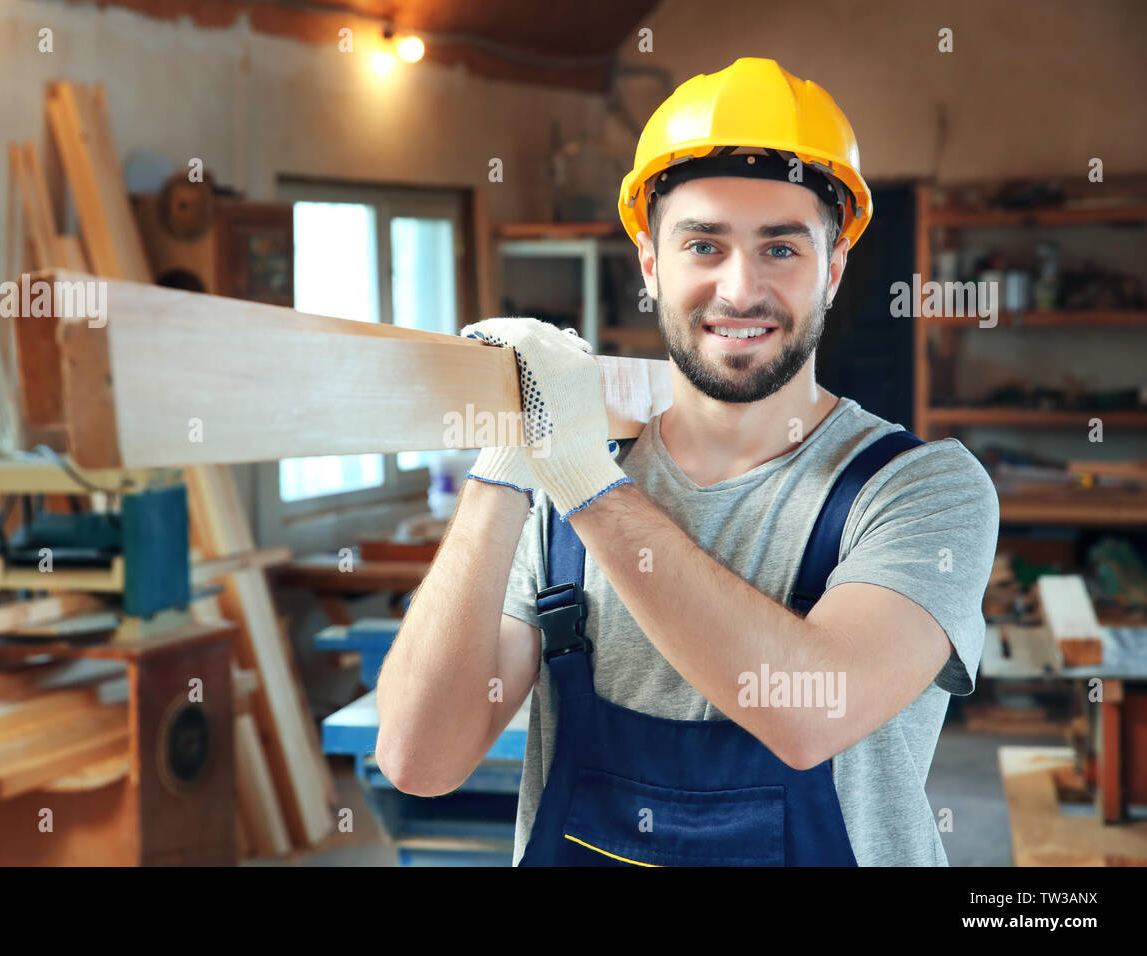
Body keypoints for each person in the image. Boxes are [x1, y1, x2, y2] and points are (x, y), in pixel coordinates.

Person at [376, 57, 1000, 866]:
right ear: (650, 264)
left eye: (781, 249)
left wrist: (578, 478)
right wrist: (506, 460)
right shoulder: (559, 490)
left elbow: (808, 712)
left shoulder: (922, 491)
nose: (739, 290)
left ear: (833, 268)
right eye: (704, 244)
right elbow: (420, 760)